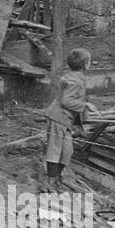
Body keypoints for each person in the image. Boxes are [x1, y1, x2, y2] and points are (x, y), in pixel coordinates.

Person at [42, 47, 94, 192]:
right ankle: (50, 181)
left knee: (68, 151)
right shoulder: (74, 81)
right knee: (55, 148)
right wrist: (85, 105)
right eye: (89, 61)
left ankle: (57, 177)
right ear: (85, 64)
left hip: (66, 120)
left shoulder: (74, 77)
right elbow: (66, 101)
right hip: (58, 117)